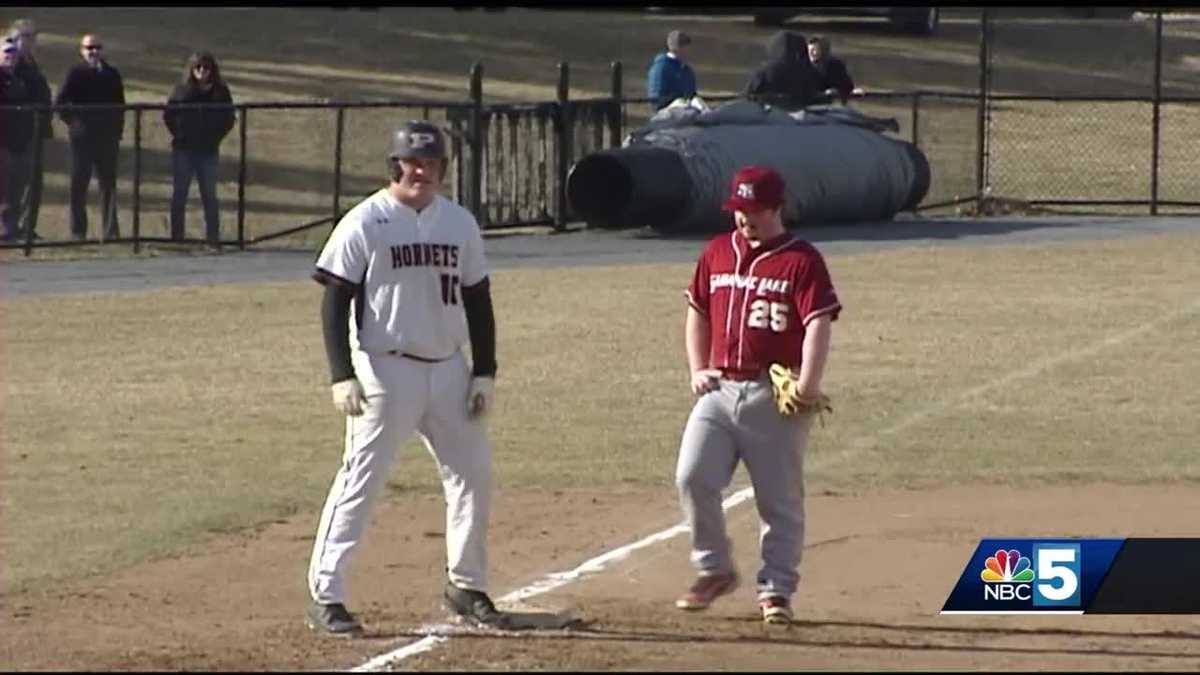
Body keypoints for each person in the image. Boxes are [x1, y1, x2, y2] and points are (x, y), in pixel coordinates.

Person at [305, 120, 503, 637]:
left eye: (432, 164)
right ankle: (327, 594)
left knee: (473, 476)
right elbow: (335, 301)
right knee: (361, 480)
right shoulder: (367, 221)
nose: (422, 172)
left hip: (447, 368)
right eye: (413, 163)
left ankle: (467, 583)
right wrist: (341, 374)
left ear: (443, 169)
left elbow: (479, 301)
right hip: (384, 368)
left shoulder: (458, 224)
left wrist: (484, 371)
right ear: (396, 167)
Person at [673, 165, 841, 625]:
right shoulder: (716, 253)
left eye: (754, 210)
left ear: (776, 208)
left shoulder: (801, 260)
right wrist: (697, 367)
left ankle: (776, 592)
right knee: (692, 476)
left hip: (774, 396)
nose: (745, 219)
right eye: (739, 210)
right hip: (720, 390)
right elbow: (698, 311)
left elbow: (817, 325)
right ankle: (714, 569)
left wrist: (807, 384)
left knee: (778, 501)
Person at [55, 33, 125, 241]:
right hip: (82, 139)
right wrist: (75, 123)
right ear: (82, 50)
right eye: (89, 48)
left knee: (108, 185)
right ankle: (78, 232)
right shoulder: (74, 73)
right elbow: (60, 102)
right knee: (79, 184)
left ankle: (111, 232)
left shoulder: (112, 73)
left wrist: (117, 131)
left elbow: (120, 104)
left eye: (97, 47)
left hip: (107, 138)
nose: (93, 51)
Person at [163, 50, 235, 245]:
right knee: (180, 194)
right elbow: (168, 115)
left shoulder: (220, 92)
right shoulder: (182, 90)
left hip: (208, 151)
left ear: (213, 70)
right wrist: (180, 134)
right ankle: (177, 238)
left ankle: (213, 238)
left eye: (206, 67)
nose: (202, 71)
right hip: (184, 149)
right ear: (191, 69)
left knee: (209, 195)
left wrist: (215, 137)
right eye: (198, 67)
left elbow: (229, 118)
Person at [6, 19, 51, 241]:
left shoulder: (32, 63)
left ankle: (27, 226)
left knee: (32, 183)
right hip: (15, 134)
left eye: (33, 36)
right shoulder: (11, 67)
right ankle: (9, 227)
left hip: (35, 130)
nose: (30, 40)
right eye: (25, 36)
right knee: (13, 183)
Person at [0, 37, 33, 242]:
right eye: (6, 52)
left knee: (17, 185)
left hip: (19, 140)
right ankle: (3, 227)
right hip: (1, 140)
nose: (10, 56)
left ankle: (12, 227)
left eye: (13, 53)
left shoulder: (23, 77)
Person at [744, 30, 822, 111]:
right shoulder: (808, 72)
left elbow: (747, 97)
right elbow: (814, 98)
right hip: (799, 115)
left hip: (768, 115)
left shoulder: (762, 72)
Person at [647, 29, 698, 111]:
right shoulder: (660, 68)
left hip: (689, 114)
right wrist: (679, 104)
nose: (688, 50)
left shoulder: (687, 70)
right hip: (666, 116)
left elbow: (693, 96)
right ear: (677, 48)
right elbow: (656, 101)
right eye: (684, 46)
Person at [807, 35, 861, 106]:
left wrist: (837, 91)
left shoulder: (835, 64)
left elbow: (847, 85)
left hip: (829, 103)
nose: (812, 53)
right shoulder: (803, 64)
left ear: (824, 50)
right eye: (810, 50)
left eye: (815, 50)